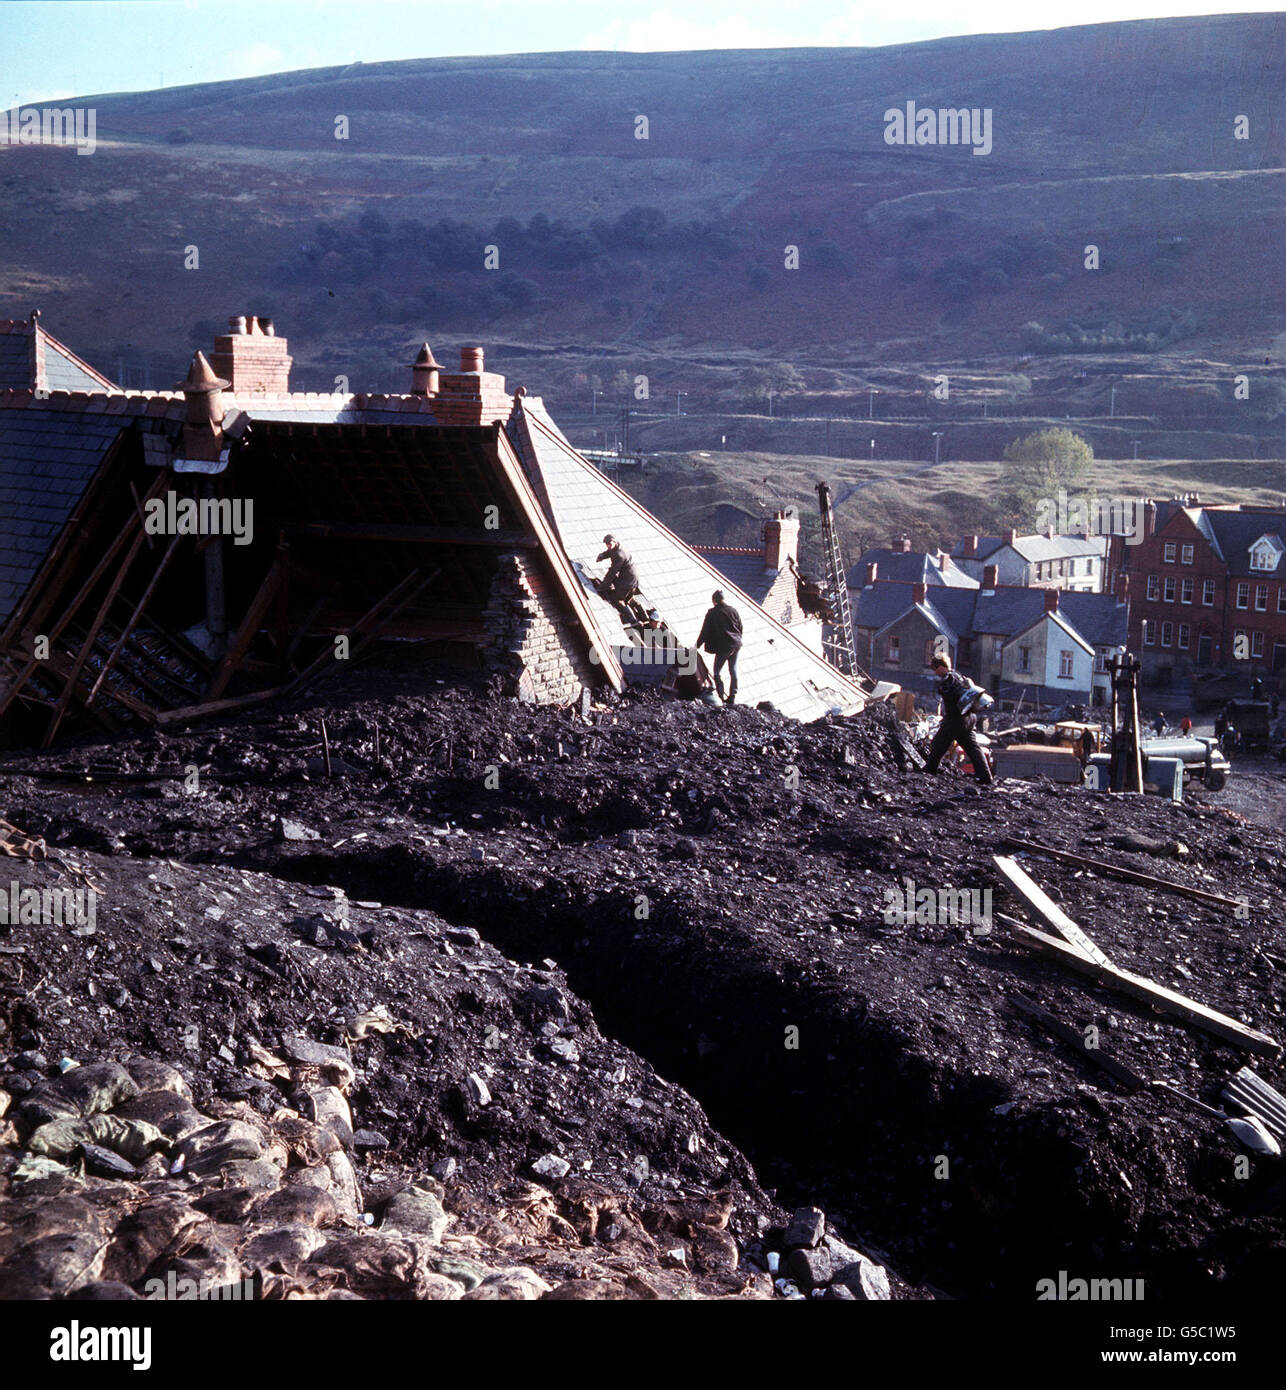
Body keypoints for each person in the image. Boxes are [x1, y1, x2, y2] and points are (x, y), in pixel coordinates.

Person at [924, 654, 993, 785]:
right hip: (969, 717)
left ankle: (930, 769)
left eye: (935, 668)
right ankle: (985, 776)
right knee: (973, 748)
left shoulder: (949, 679)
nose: (935, 672)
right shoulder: (958, 675)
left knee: (938, 743)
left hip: (956, 719)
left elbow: (951, 696)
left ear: (940, 666)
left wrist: (941, 689)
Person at [696, 591, 743, 704]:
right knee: (733, 670)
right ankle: (732, 696)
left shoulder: (712, 613)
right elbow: (740, 627)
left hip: (723, 647)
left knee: (717, 672)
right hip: (736, 645)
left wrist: (696, 646)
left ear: (714, 601)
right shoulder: (733, 610)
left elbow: (704, 632)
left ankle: (721, 697)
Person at [595, 535, 639, 605]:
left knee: (616, 600)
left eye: (609, 544)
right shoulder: (618, 547)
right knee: (615, 586)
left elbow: (612, 573)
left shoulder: (620, 555)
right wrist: (603, 556)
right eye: (607, 544)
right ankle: (629, 598)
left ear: (614, 542)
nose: (608, 546)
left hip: (628, 582)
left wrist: (603, 587)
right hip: (629, 578)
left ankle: (630, 608)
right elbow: (611, 552)